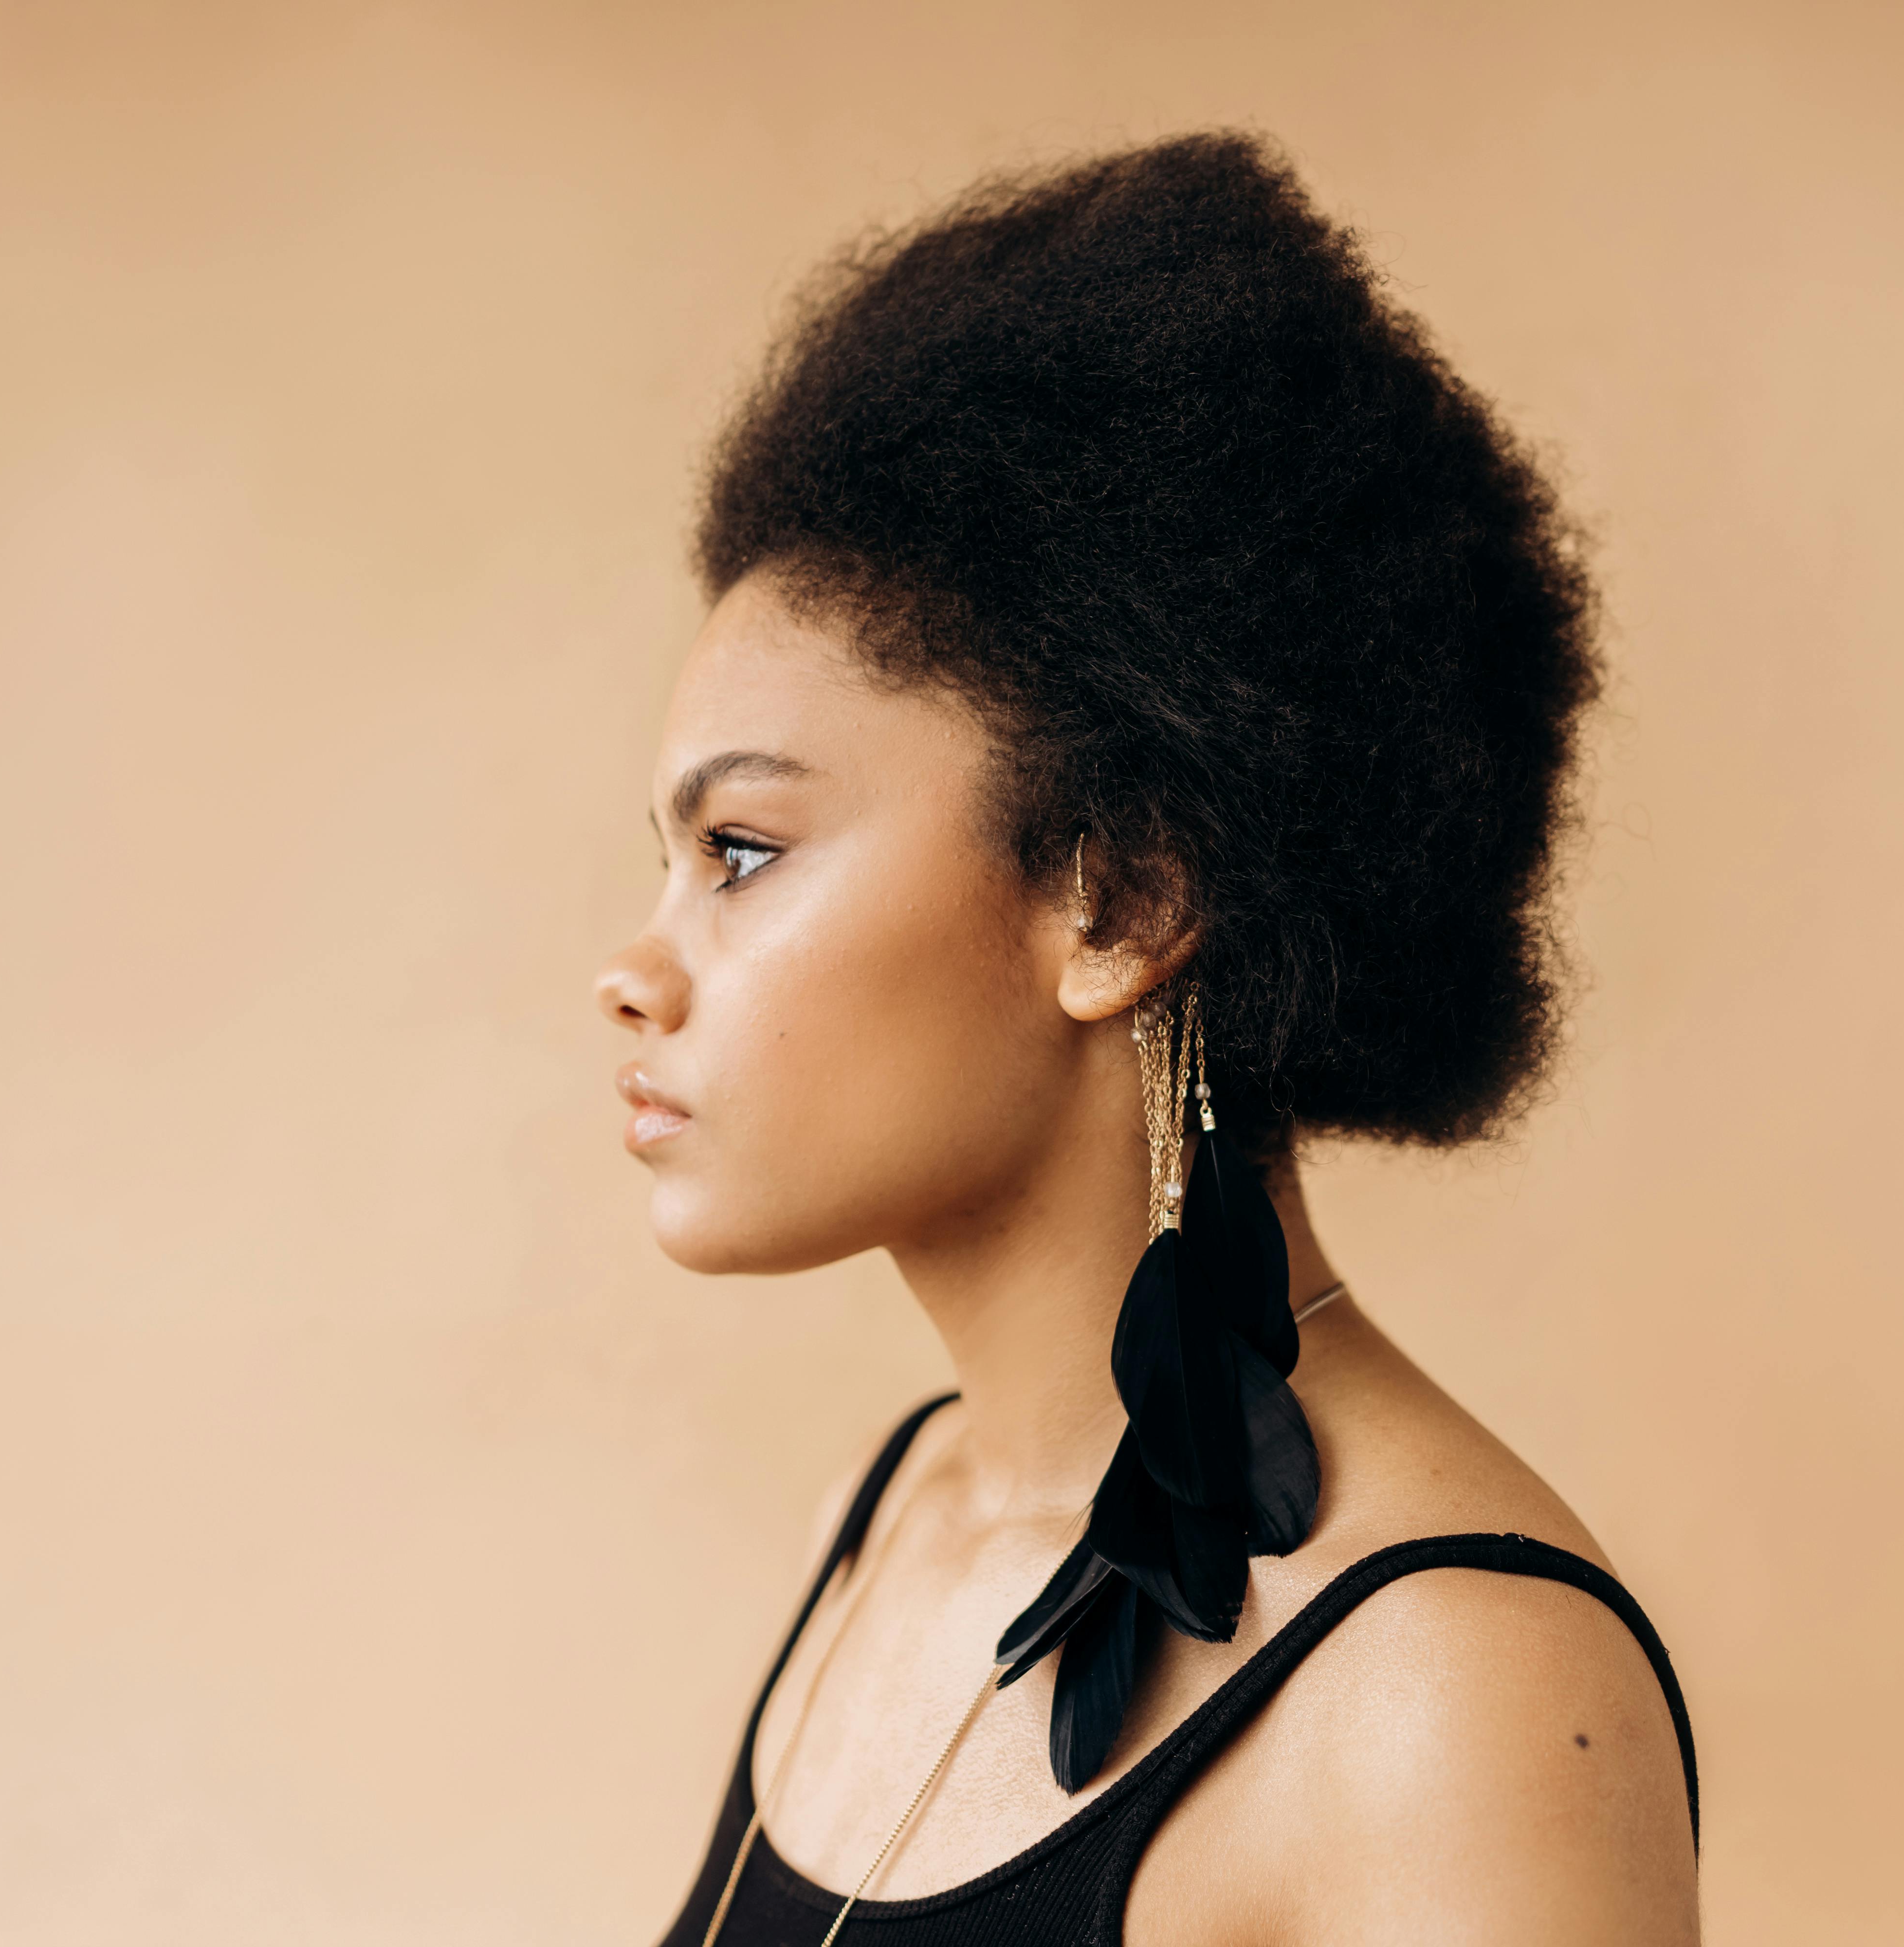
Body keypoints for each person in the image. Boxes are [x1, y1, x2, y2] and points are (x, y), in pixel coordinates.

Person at [597, 131, 1700, 1947]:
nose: (636, 968)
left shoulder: (1448, 1697)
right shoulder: (884, 1527)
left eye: (742, 852)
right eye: (661, 860)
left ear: (1119, 906)